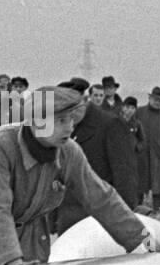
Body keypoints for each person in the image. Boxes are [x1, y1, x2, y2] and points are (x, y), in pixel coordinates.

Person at [0, 85, 153, 265]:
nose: (70, 127)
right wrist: (12, 260)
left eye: (72, 120)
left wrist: (142, 240)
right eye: (61, 120)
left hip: (32, 246)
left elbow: (100, 198)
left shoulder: (68, 151)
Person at [57, 78, 138, 232]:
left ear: (83, 101)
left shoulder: (110, 125)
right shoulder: (64, 128)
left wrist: (125, 220)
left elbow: (125, 176)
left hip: (100, 221)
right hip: (67, 220)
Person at [136, 86, 160, 208]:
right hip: (142, 156)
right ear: (150, 98)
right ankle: (137, 213)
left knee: (158, 191)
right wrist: (137, 147)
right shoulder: (139, 112)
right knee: (139, 189)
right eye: (155, 99)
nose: (157, 102)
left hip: (159, 157)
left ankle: (157, 216)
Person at [120, 96, 149, 206]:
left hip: (133, 159)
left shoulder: (137, 124)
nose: (129, 110)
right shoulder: (115, 121)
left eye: (132, 108)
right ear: (123, 108)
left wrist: (136, 147)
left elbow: (143, 141)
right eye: (127, 107)